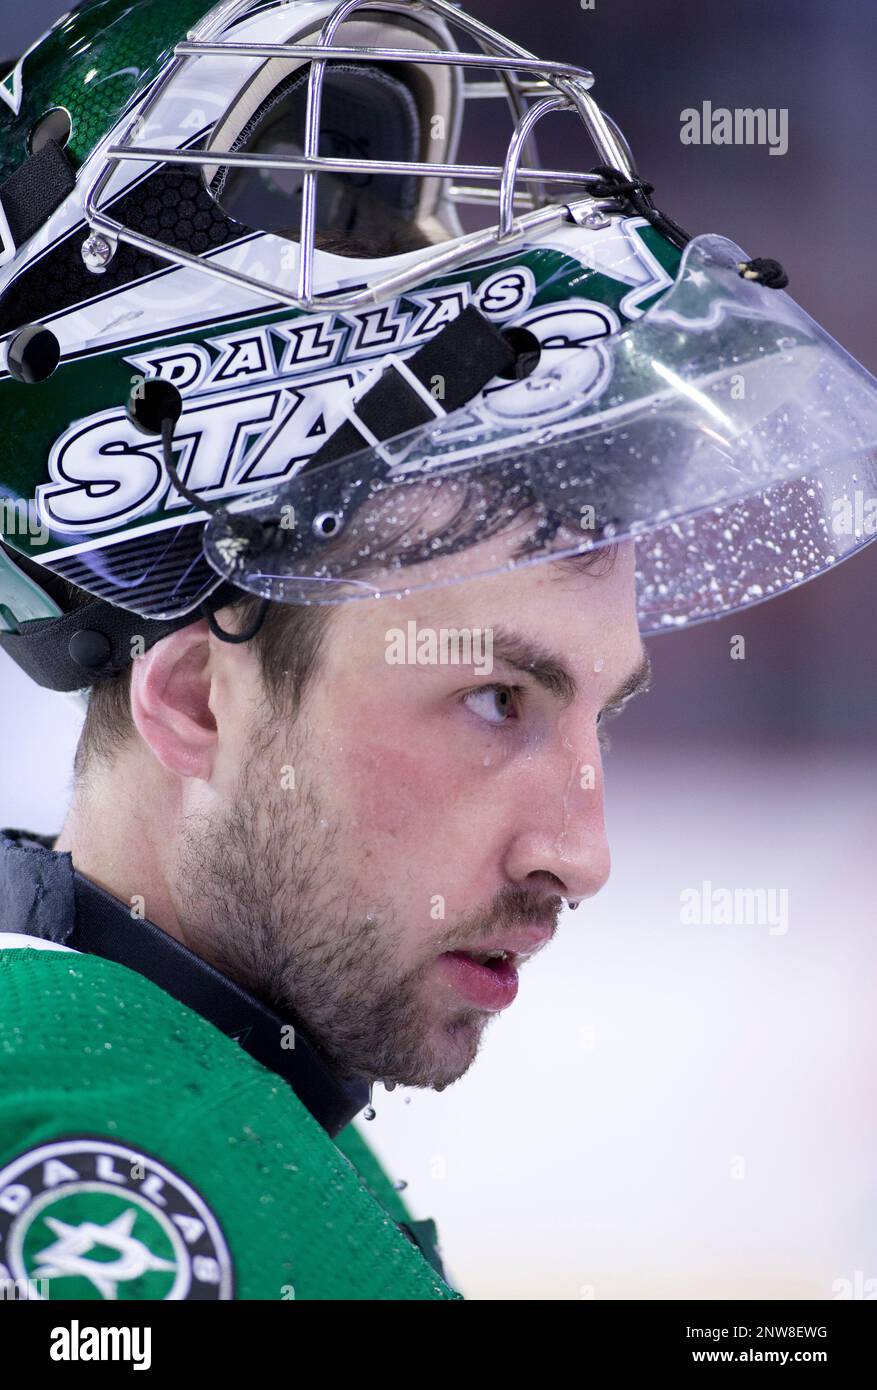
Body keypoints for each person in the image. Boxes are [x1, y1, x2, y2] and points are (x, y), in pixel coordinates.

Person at [1, 0, 875, 1301]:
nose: (581, 853)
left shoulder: (220, 1092)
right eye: (490, 697)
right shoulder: (130, 1156)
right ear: (194, 700)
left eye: (600, 712)